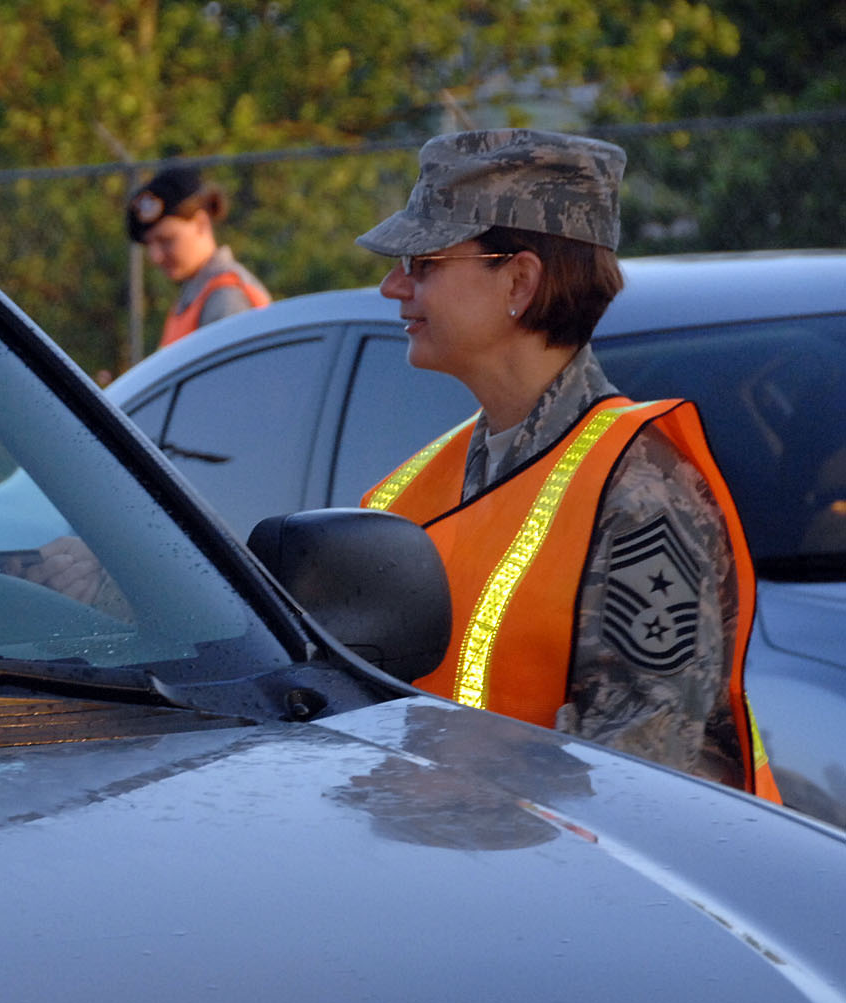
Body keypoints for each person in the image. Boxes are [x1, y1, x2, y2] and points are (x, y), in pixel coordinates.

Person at [355, 128, 779, 801]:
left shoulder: (643, 491)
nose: (391, 286)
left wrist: (455, 808)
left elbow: (645, 775)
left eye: (423, 262)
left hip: (578, 865)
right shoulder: (410, 488)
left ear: (519, 280)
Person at [126, 165, 271, 349]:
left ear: (201, 223)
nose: (155, 256)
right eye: (149, 245)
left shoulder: (225, 296)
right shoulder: (196, 294)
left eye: (166, 240)